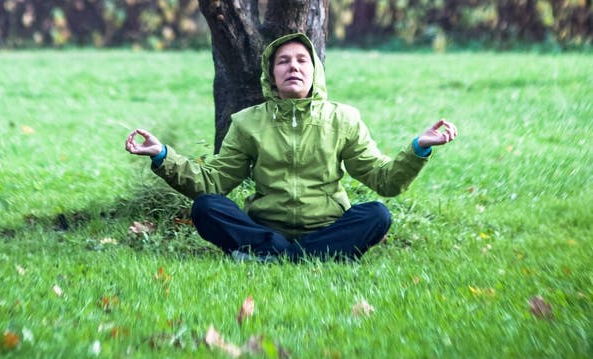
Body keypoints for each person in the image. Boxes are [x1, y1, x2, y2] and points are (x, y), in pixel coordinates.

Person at [125, 32, 457, 261]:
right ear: (271, 75)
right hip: (265, 228)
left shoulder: (343, 118)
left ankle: (273, 256)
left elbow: (384, 180)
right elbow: (213, 182)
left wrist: (419, 148)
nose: (294, 67)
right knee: (207, 207)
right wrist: (162, 156)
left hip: (326, 227)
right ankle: (296, 253)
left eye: (302, 60)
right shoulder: (247, 122)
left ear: (315, 71)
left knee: (377, 215)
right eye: (283, 61)